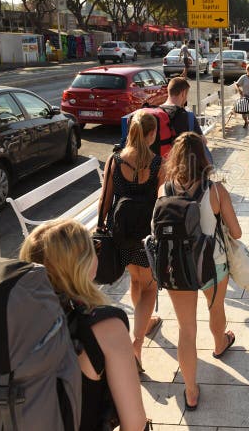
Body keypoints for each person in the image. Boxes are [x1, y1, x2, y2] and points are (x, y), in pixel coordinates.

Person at [19, 220, 148, 431]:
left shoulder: (16, 319)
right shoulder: (106, 326)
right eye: (94, 248)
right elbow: (134, 424)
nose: (97, 254)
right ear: (79, 265)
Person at [159, 132, 241, 411]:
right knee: (215, 310)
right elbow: (237, 232)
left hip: (176, 267)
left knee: (186, 329)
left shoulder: (165, 190)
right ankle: (220, 344)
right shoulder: (216, 190)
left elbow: (155, 230)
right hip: (212, 264)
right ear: (204, 157)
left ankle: (191, 391)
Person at [99, 110, 163, 371]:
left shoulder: (115, 160)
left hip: (121, 233)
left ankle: (144, 322)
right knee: (149, 286)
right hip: (145, 235)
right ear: (151, 134)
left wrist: (102, 227)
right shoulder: (158, 163)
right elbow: (160, 203)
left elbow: (105, 199)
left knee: (136, 279)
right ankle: (136, 343)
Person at [160, 77, 206, 144]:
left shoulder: (157, 113)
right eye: (187, 94)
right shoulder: (189, 117)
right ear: (183, 93)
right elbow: (203, 141)